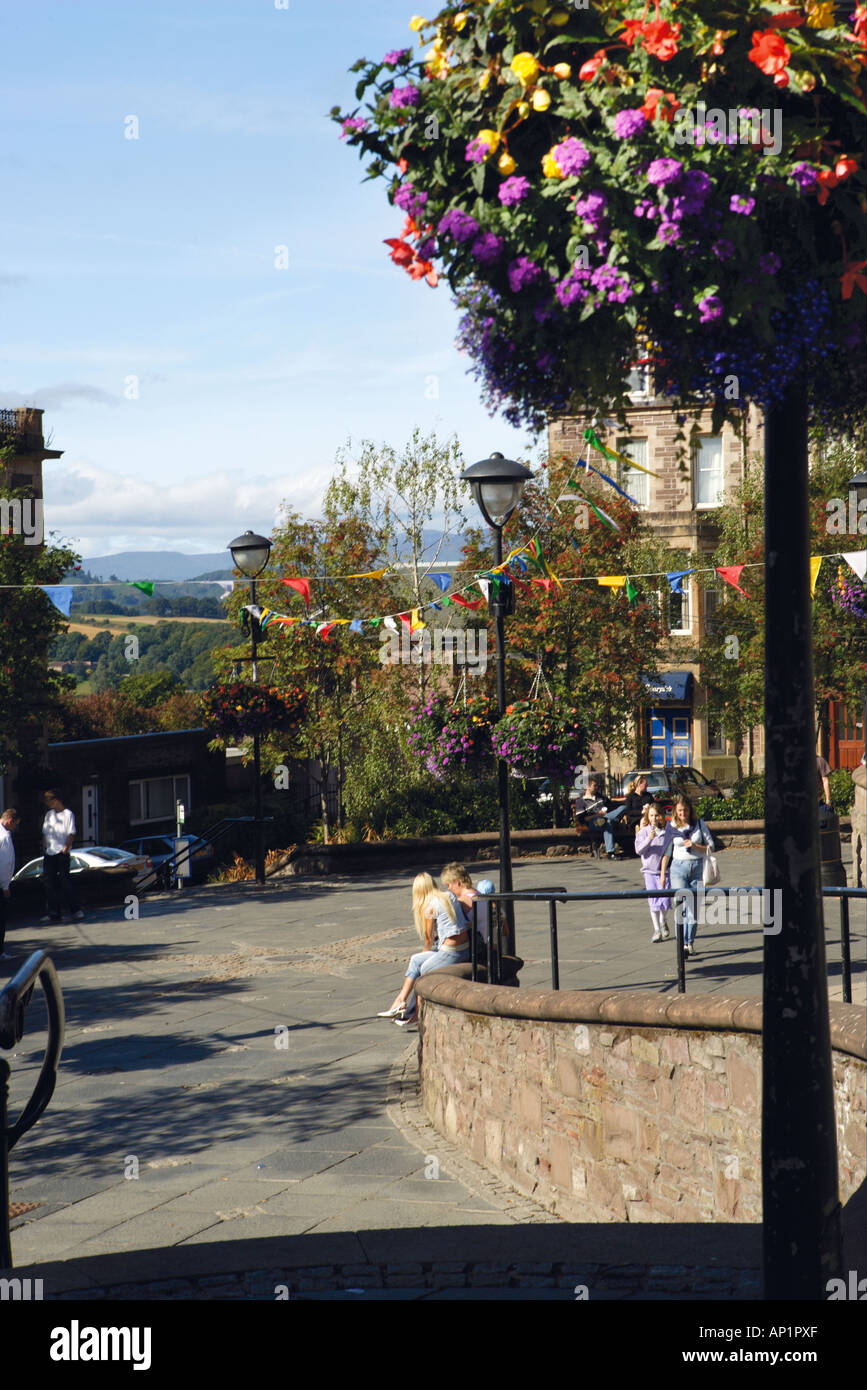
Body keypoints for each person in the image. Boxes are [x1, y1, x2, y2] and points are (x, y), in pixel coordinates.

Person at [376, 872, 470, 1027]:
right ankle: (400, 1002)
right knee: (415, 960)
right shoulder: (448, 896)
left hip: (452, 952)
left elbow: (428, 939)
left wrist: (425, 952)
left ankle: (419, 1014)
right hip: (462, 947)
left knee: (423, 970)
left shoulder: (430, 905)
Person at [658, 794, 712, 957]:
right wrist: (662, 874)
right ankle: (681, 944)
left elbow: (711, 846)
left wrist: (695, 845)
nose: (683, 813)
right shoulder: (671, 827)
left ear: (690, 810)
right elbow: (666, 852)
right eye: (680, 810)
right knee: (680, 907)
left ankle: (689, 942)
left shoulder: (699, 824)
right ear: (675, 810)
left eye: (686, 810)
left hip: (697, 867)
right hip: (678, 869)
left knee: (693, 910)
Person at [41, 790, 84, 924]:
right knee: (49, 883)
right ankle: (54, 913)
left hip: (61, 853)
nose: (47, 803)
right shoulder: (49, 815)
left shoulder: (68, 814)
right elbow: (45, 832)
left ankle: (75, 910)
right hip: (50, 852)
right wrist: (44, 847)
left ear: (56, 800)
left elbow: (71, 833)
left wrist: (65, 848)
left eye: (49, 800)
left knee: (65, 882)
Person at [634, 801, 671, 943]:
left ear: (661, 816)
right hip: (649, 871)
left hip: (664, 871)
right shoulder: (644, 832)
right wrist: (649, 839)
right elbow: (639, 850)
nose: (654, 818)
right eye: (651, 815)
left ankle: (663, 920)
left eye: (656, 815)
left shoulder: (666, 832)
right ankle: (656, 929)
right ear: (648, 816)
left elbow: (669, 851)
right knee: (653, 901)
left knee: (665, 900)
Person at [576, 775, 622, 859]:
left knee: (622, 808)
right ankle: (610, 853)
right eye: (595, 786)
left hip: (607, 817)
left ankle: (606, 819)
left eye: (597, 786)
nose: (597, 787)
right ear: (587, 787)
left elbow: (612, 807)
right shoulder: (581, 801)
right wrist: (598, 815)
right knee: (606, 822)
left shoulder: (601, 797)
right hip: (594, 821)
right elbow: (582, 819)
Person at [0, 808, 20, 962]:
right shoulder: (5, 836)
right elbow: (5, 863)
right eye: (15, 825)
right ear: (10, 821)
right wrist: (6, 886)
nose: (14, 829)